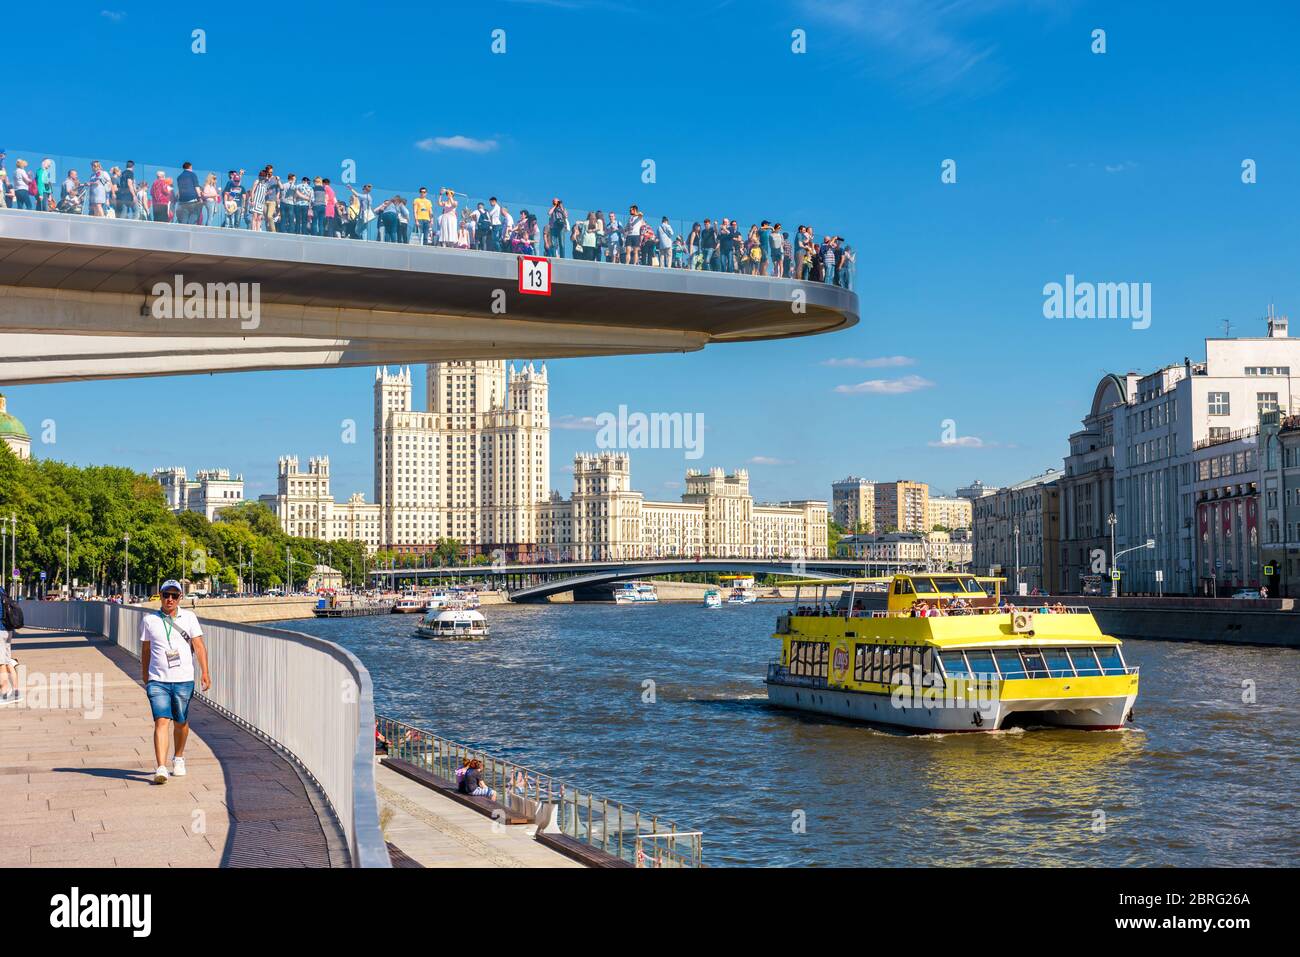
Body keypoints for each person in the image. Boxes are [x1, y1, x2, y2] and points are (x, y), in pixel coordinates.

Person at [139, 580, 211, 784]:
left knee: (181, 722)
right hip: (158, 680)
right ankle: (161, 767)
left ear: (180, 597)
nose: (169, 599)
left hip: (183, 679)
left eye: (174, 595)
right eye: (165, 595)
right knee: (161, 721)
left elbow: (198, 646)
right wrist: (145, 674)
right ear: (160, 596)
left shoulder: (189, 617)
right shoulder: (149, 620)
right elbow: (145, 650)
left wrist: (205, 672)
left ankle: (178, 758)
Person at [0, 585, 23, 703]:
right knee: (8, 662)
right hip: (8, 630)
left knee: (1, 664)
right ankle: (16, 692)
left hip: (0, 631)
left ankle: (3, 695)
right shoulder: (2, 590)